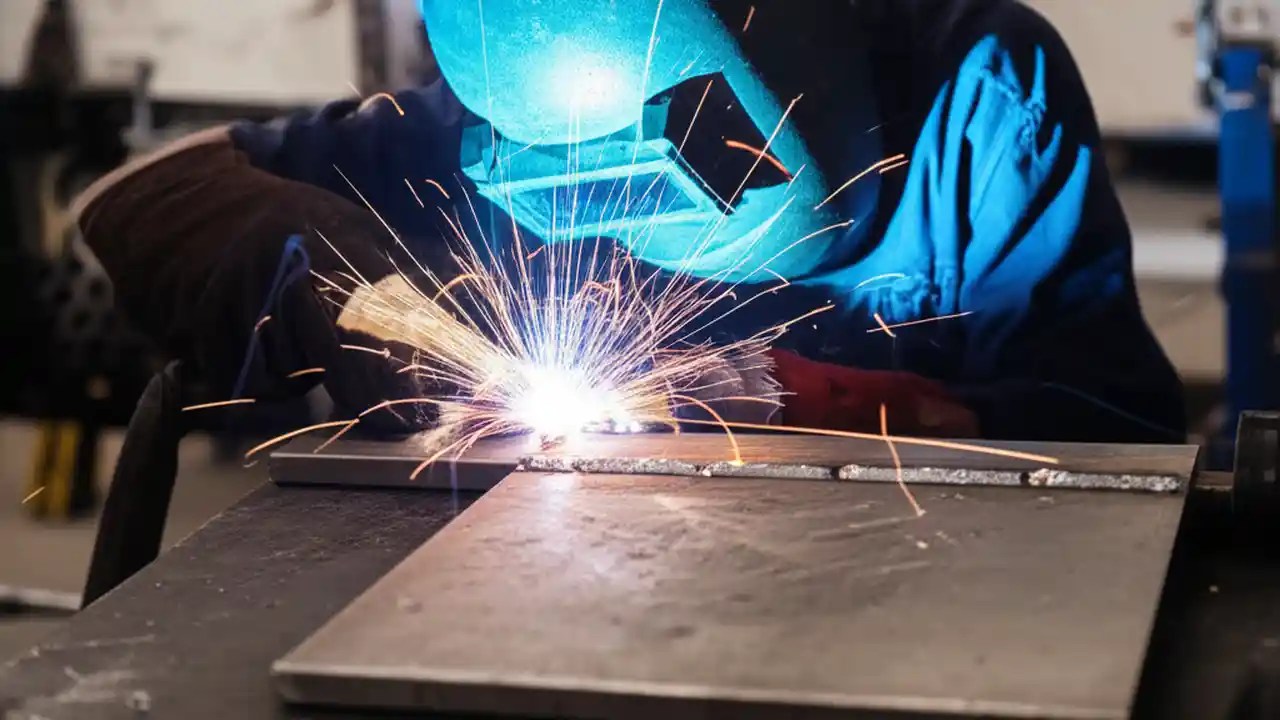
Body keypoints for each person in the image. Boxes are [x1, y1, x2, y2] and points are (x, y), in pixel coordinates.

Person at [73, 0, 1185, 443]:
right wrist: (325, 276)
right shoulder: (516, 115)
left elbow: (1116, 438)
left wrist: (856, 407)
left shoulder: (978, 101)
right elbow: (143, 197)